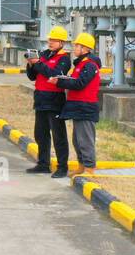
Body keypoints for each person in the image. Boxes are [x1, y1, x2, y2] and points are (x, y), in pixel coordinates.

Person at [24, 26, 74, 177]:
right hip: (40, 98)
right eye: (50, 39)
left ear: (62, 42)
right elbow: (33, 76)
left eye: (54, 40)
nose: (50, 42)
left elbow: (54, 74)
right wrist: (31, 64)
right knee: (40, 133)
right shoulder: (44, 54)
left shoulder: (64, 59)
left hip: (54, 99)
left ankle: (62, 167)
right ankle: (43, 164)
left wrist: (38, 63)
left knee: (58, 135)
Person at [52, 32, 102, 176]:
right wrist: (63, 79)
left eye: (77, 46)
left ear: (85, 48)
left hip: (86, 107)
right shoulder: (81, 64)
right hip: (78, 106)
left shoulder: (90, 65)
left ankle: (90, 168)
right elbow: (75, 81)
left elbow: (80, 83)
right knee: (77, 140)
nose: (75, 48)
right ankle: (82, 166)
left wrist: (60, 82)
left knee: (85, 140)